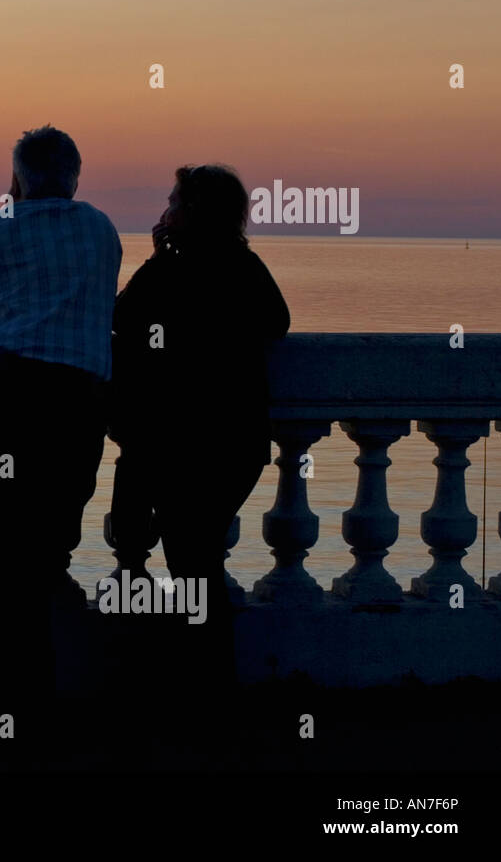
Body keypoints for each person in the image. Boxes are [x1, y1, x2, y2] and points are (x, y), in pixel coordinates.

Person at [0, 125, 122, 713]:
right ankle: (48, 688)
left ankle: (15, 691)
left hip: (12, 397)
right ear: (75, 177)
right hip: (80, 403)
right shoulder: (102, 228)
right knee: (53, 537)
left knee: (1, 540)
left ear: (19, 177)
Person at [110, 164, 290, 686]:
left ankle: (205, 687)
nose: (165, 211)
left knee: (193, 565)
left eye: (173, 202)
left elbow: (123, 316)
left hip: (182, 444)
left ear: (191, 212)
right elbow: (277, 321)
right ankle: (205, 683)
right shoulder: (243, 263)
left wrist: (160, 256)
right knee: (198, 561)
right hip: (234, 444)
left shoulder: (172, 269)